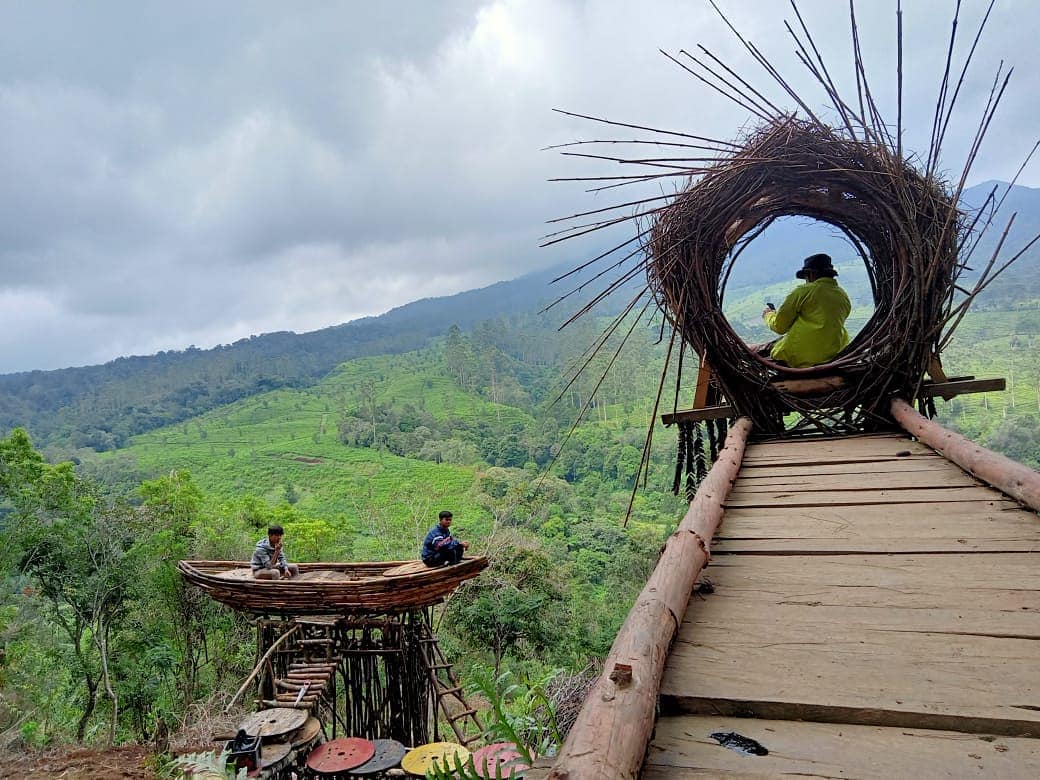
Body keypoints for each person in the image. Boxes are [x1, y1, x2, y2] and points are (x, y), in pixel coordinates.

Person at [759, 253, 851, 368]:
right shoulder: (842, 295)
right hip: (835, 354)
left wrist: (769, 315)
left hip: (799, 358)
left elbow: (779, 327)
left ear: (811, 274)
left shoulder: (803, 292)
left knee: (762, 351)